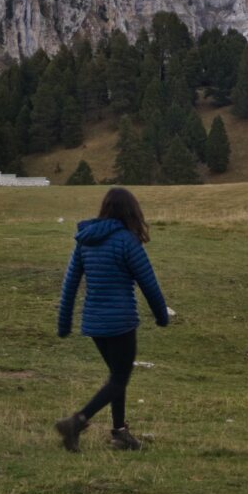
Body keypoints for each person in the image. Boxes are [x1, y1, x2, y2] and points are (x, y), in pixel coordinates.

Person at [54, 187, 169, 451]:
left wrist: (64, 322)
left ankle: (120, 433)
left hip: (94, 323)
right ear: (131, 211)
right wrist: (161, 315)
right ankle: (77, 421)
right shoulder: (126, 241)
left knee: (118, 376)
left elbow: (70, 285)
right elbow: (148, 283)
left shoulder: (85, 240)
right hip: (121, 322)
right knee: (119, 377)